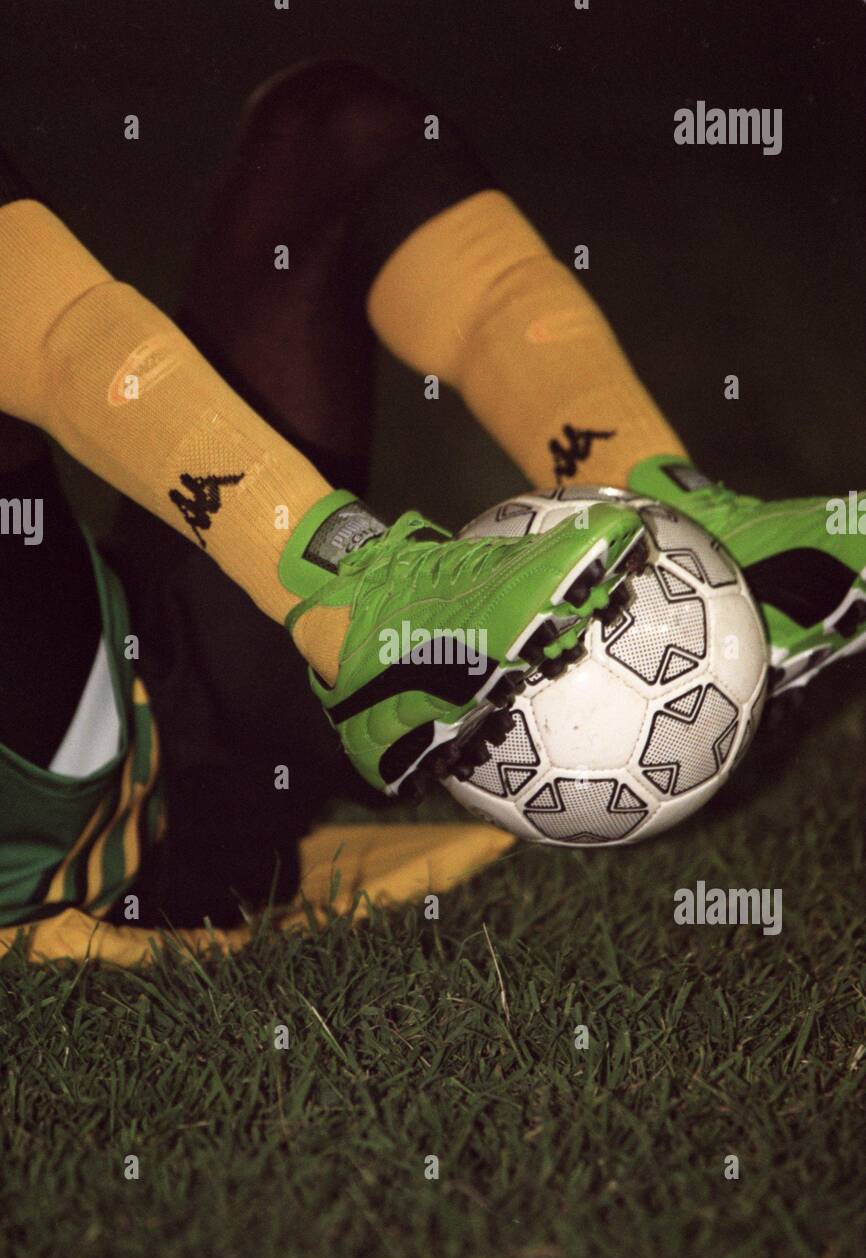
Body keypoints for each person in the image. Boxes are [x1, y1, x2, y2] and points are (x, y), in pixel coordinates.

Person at [0, 60, 862, 939]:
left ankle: (677, 516)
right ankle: (351, 602)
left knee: (337, 130)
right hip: (48, 811)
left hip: (158, 689)